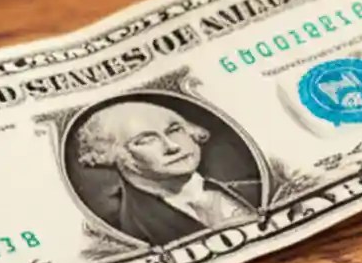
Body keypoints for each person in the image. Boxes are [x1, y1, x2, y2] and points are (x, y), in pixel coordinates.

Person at [76, 101, 260, 245]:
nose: (173, 146)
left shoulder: (256, 191)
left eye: (174, 130)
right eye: (146, 140)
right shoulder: (120, 234)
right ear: (113, 154)